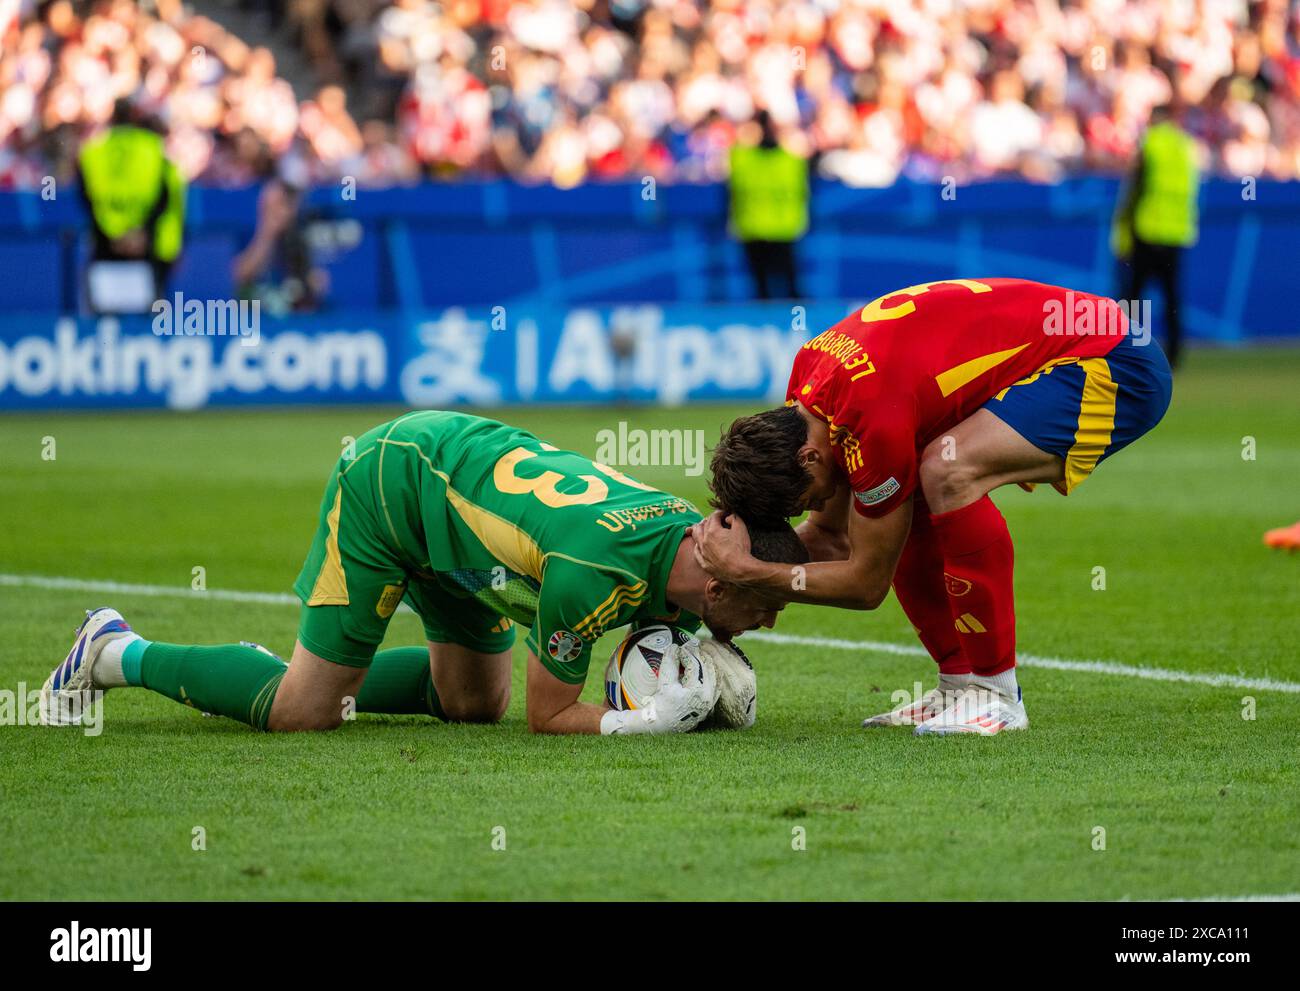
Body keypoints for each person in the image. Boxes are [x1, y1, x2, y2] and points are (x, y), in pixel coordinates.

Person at [41, 411, 806, 737]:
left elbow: (655, 619)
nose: (770, 622)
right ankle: (112, 651)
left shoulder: (686, 537)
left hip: (464, 523)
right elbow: (548, 717)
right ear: (720, 584)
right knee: (301, 712)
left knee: (471, 703)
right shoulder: (590, 576)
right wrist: (643, 720)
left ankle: (279, 669)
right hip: (393, 486)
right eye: (767, 606)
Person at [692, 278, 1173, 735]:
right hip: (1071, 343)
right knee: (914, 486)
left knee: (948, 470)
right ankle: (960, 685)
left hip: (1111, 358)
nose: (815, 506)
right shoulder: (808, 389)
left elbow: (866, 581)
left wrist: (748, 571)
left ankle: (996, 693)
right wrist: (708, 570)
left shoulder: (868, 414)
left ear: (808, 457)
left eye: (805, 499)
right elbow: (833, 536)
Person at [1112, 100, 1200, 370]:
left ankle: (1128, 352)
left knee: (1134, 298)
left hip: (1147, 228)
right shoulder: (1186, 145)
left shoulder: (1149, 143)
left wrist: (1123, 222)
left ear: (1153, 119)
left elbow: (1134, 186)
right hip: (1177, 232)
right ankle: (1175, 356)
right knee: (1172, 296)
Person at [77, 99, 185, 311]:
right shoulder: (153, 149)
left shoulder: (91, 152)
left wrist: (113, 235)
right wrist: (140, 233)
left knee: (104, 317)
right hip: (146, 248)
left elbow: (85, 199)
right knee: (145, 322)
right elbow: (164, 198)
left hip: (104, 245)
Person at [728, 110, 809, 300]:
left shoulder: (740, 158)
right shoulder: (792, 160)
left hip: (762, 230)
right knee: (783, 287)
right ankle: (792, 327)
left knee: (767, 289)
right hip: (778, 230)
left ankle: (772, 327)